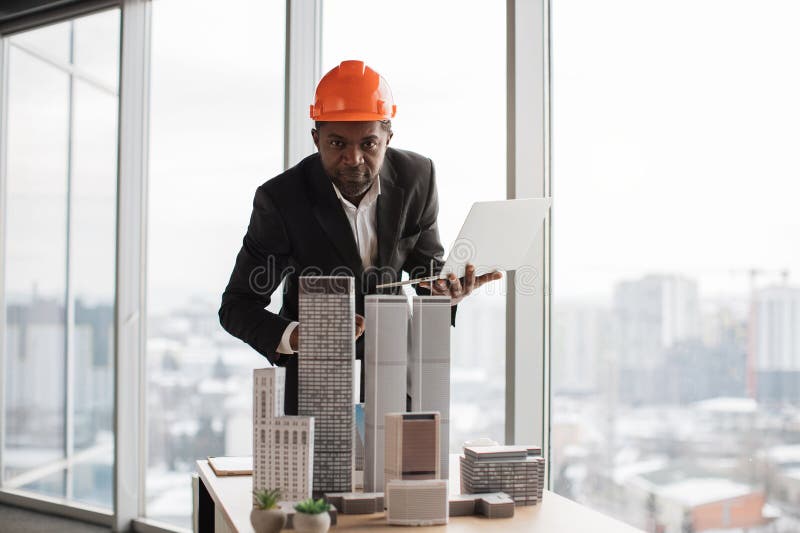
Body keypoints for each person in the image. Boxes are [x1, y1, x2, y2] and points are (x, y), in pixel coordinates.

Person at [218, 60, 501, 414]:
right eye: (337, 143)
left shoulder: (417, 177)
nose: (353, 158)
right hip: (316, 379)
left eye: (369, 143)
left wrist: (446, 289)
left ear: (388, 138)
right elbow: (236, 306)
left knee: (400, 469)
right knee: (322, 471)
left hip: (394, 369)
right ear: (316, 138)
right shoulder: (281, 200)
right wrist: (297, 336)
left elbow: (424, 269)